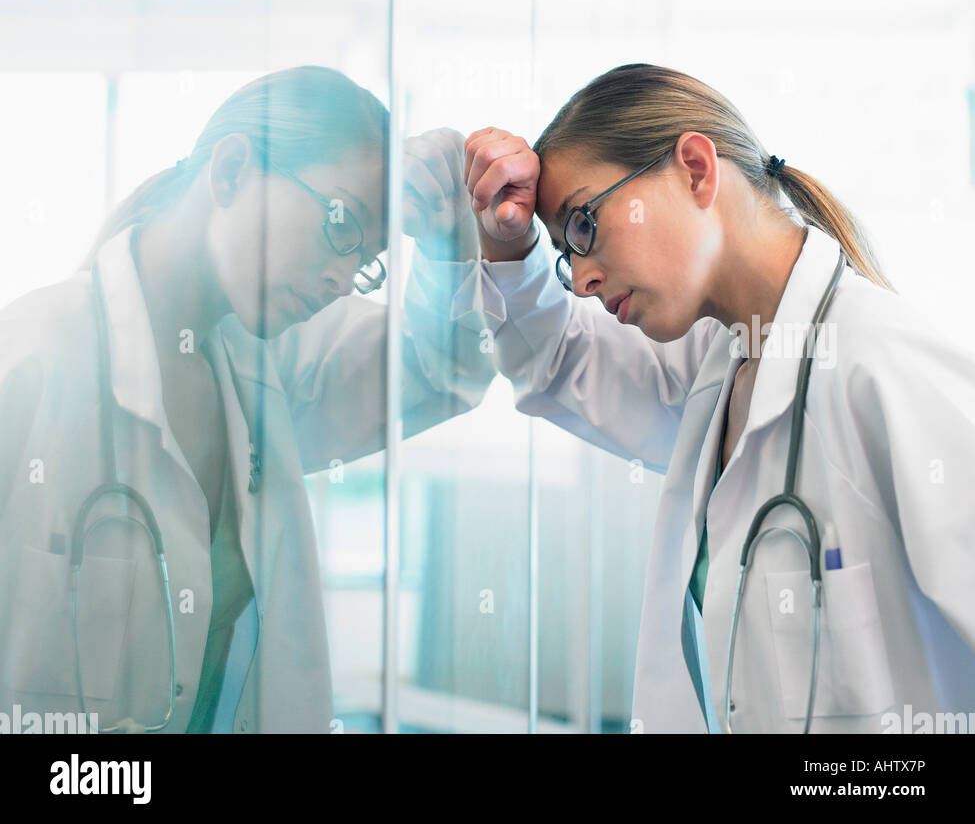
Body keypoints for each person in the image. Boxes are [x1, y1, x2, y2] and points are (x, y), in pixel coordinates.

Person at [455, 61, 975, 734]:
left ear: (695, 168)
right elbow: (556, 362)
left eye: (583, 225)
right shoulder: (721, 361)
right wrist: (504, 241)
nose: (580, 279)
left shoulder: (881, 366)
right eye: (563, 252)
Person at [0, 65, 493, 734]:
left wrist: (447, 238)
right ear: (231, 170)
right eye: (340, 224)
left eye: (367, 259)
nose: (344, 279)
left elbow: (446, 368)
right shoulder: (28, 359)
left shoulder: (272, 362)